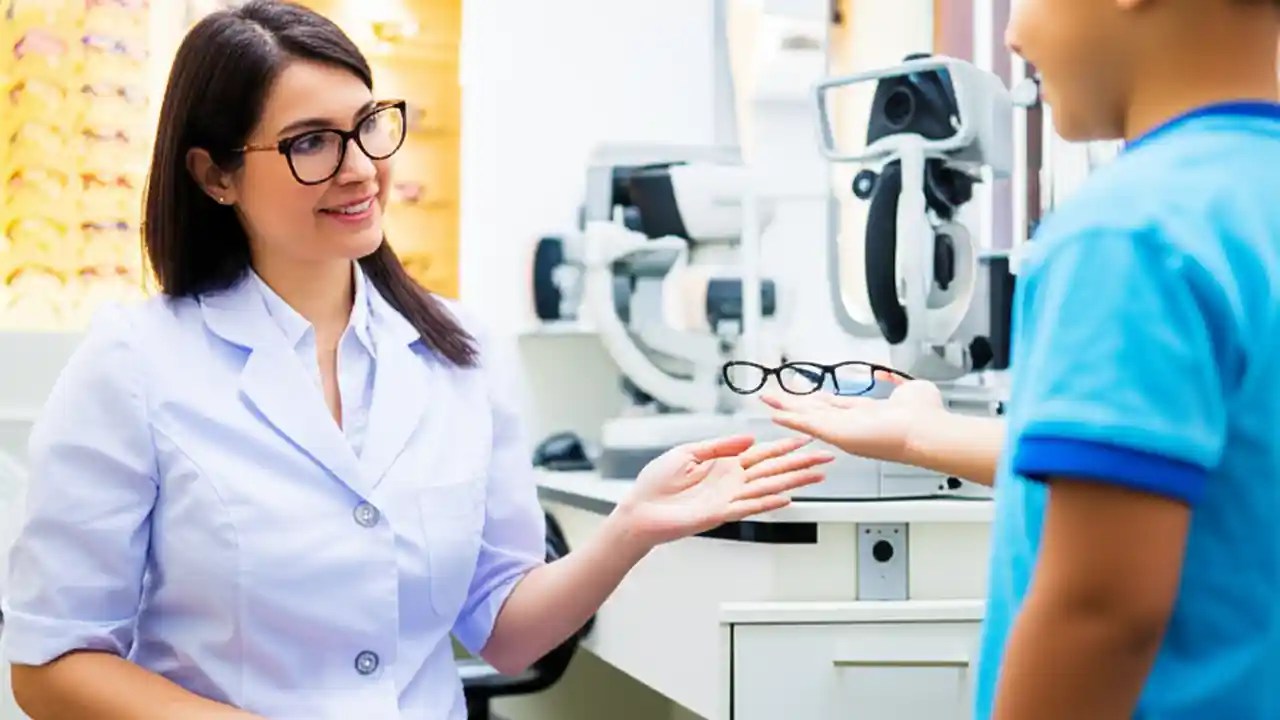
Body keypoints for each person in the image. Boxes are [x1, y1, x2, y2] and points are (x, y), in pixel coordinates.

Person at [0, 3, 833, 718]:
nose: (361, 168)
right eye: (311, 143)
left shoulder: (461, 355)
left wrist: (629, 531)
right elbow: (50, 668)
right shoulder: (136, 364)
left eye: (368, 125)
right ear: (215, 174)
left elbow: (504, 632)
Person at [767, 1, 1280, 718]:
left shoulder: (1128, 233)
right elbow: (1224, 471)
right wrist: (923, 435)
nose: (1010, 33)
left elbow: (1100, 610)